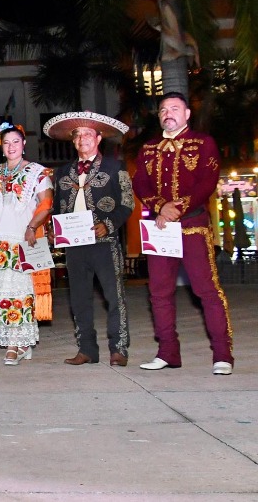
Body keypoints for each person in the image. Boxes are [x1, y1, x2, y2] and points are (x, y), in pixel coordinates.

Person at [133, 93, 234, 375]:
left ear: (187, 114)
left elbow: (207, 182)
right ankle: (168, 353)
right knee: (159, 293)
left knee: (207, 290)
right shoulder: (149, 147)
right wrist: (159, 207)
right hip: (160, 228)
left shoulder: (204, 142)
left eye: (175, 108)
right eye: (164, 109)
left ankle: (222, 355)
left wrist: (177, 207)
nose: (168, 113)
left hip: (193, 225)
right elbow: (140, 183)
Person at [43, 110, 133, 367]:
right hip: (74, 246)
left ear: (99, 138)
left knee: (114, 296)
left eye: (87, 134)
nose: (82, 139)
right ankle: (86, 350)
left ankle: (119, 348)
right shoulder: (62, 173)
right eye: (77, 135)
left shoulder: (116, 167)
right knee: (79, 298)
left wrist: (108, 224)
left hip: (105, 244)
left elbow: (126, 205)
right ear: (73, 141)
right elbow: (58, 209)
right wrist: (53, 229)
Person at [0, 123, 53, 365]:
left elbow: (46, 204)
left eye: (16, 142)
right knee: (2, 295)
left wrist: (31, 227)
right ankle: (15, 342)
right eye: (7, 143)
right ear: (1, 146)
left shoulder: (37, 172)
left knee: (21, 293)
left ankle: (17, 345)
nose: (11, 147)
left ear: (24, 144)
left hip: (23, 241)